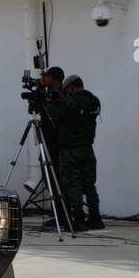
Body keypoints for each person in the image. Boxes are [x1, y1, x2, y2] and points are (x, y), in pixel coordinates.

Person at [48, 74, 104, 231]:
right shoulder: (93, 100)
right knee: (90, 184)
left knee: (73, 184)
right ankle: (95, 218)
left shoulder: (70, 102)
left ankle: (78, 219)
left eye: (66, 90)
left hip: (70, 150)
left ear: (71, 87)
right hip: (87, 148)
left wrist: (49, 103)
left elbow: (55, 115)